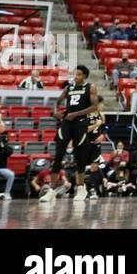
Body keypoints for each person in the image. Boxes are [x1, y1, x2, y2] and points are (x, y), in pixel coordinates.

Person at [49, 66, 102, 202]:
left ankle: (81, 188)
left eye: (78, 75)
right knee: (59, 154)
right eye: (75, 74)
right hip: (67, 122)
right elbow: (57, 101)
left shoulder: (90, 87)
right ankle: (51, 189)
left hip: (80, 122)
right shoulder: (69, 88)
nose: (76, 77)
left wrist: (75, 114)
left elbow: (94, 107)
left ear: (84, 76)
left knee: (80, 157)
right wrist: (56, 112)